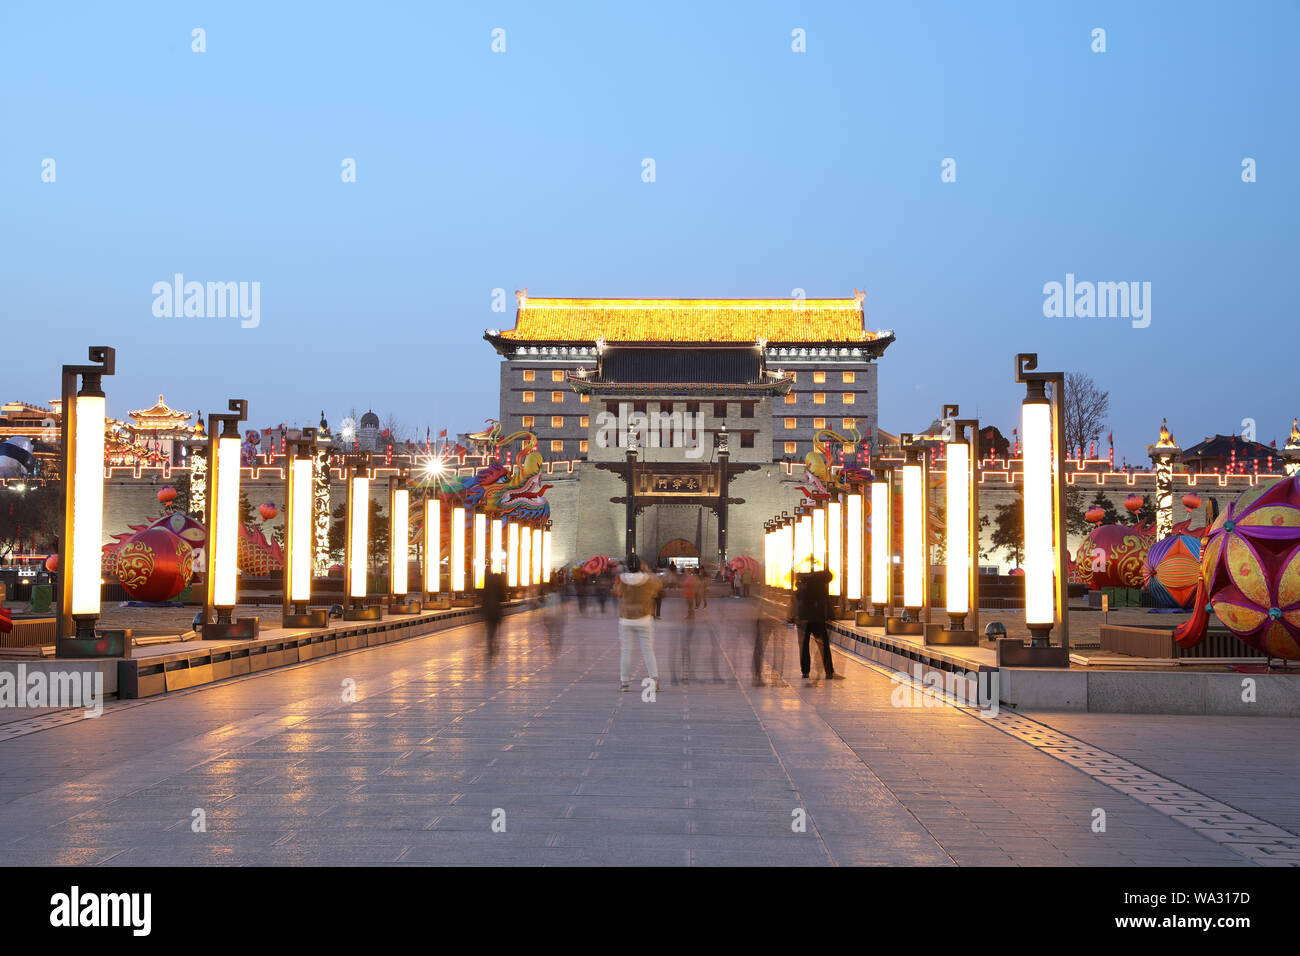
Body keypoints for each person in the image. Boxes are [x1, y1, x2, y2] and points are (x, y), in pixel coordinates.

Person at [613, 555, 662, 693]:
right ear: (641, 565)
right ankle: (654, 680)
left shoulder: (621, 580)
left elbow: (617, 592)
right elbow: (658, 585)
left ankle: (624, 682)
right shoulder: (649, 580)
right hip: (644, 618)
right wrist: (648, 571)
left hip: (626, 619)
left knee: (626, 651)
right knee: (648, 651)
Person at [794, 563, 837, 679]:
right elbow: (825, 599)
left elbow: (798, 598)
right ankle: (828, 671)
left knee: (804, 646)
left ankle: (805, 671)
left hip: (804, 618)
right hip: (818, 617)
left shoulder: (802, 583)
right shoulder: (821, 584)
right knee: (824, 645)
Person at [482, 570, 506, 662]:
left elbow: (483, 599)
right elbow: (503, 597)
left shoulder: (487, 586)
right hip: (496, 610)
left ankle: (490, 643)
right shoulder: (498, 586)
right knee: (494, 628)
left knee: (489, 629)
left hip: (488, 610)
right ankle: (493, 642)